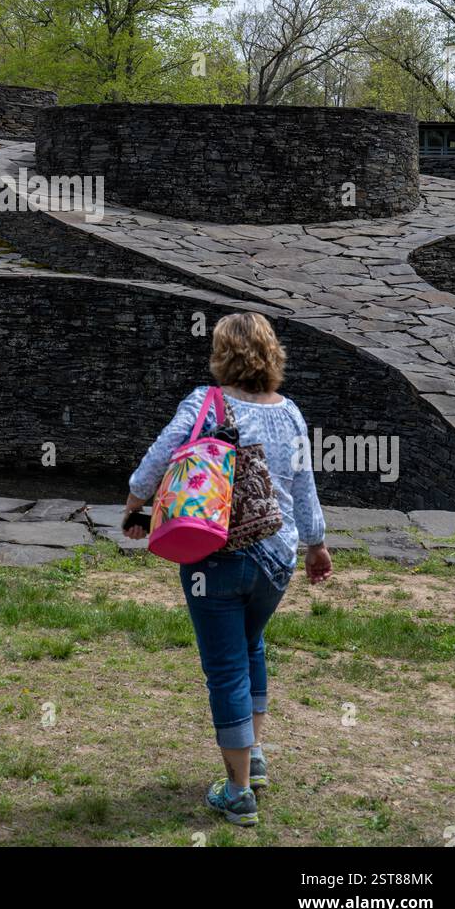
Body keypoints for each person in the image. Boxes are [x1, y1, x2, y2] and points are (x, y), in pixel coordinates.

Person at [123, 311, 331, 827]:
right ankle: (253, 755)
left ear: (222, 355)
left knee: (226, 669)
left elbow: (159, 458)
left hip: (215, 556)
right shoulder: (291, 414)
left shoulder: (205, 402)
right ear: (271, 354)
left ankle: (238, 792)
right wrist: (316, 545)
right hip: (277, 560)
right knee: (251, 646)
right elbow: (303, 488)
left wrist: (134, 503)